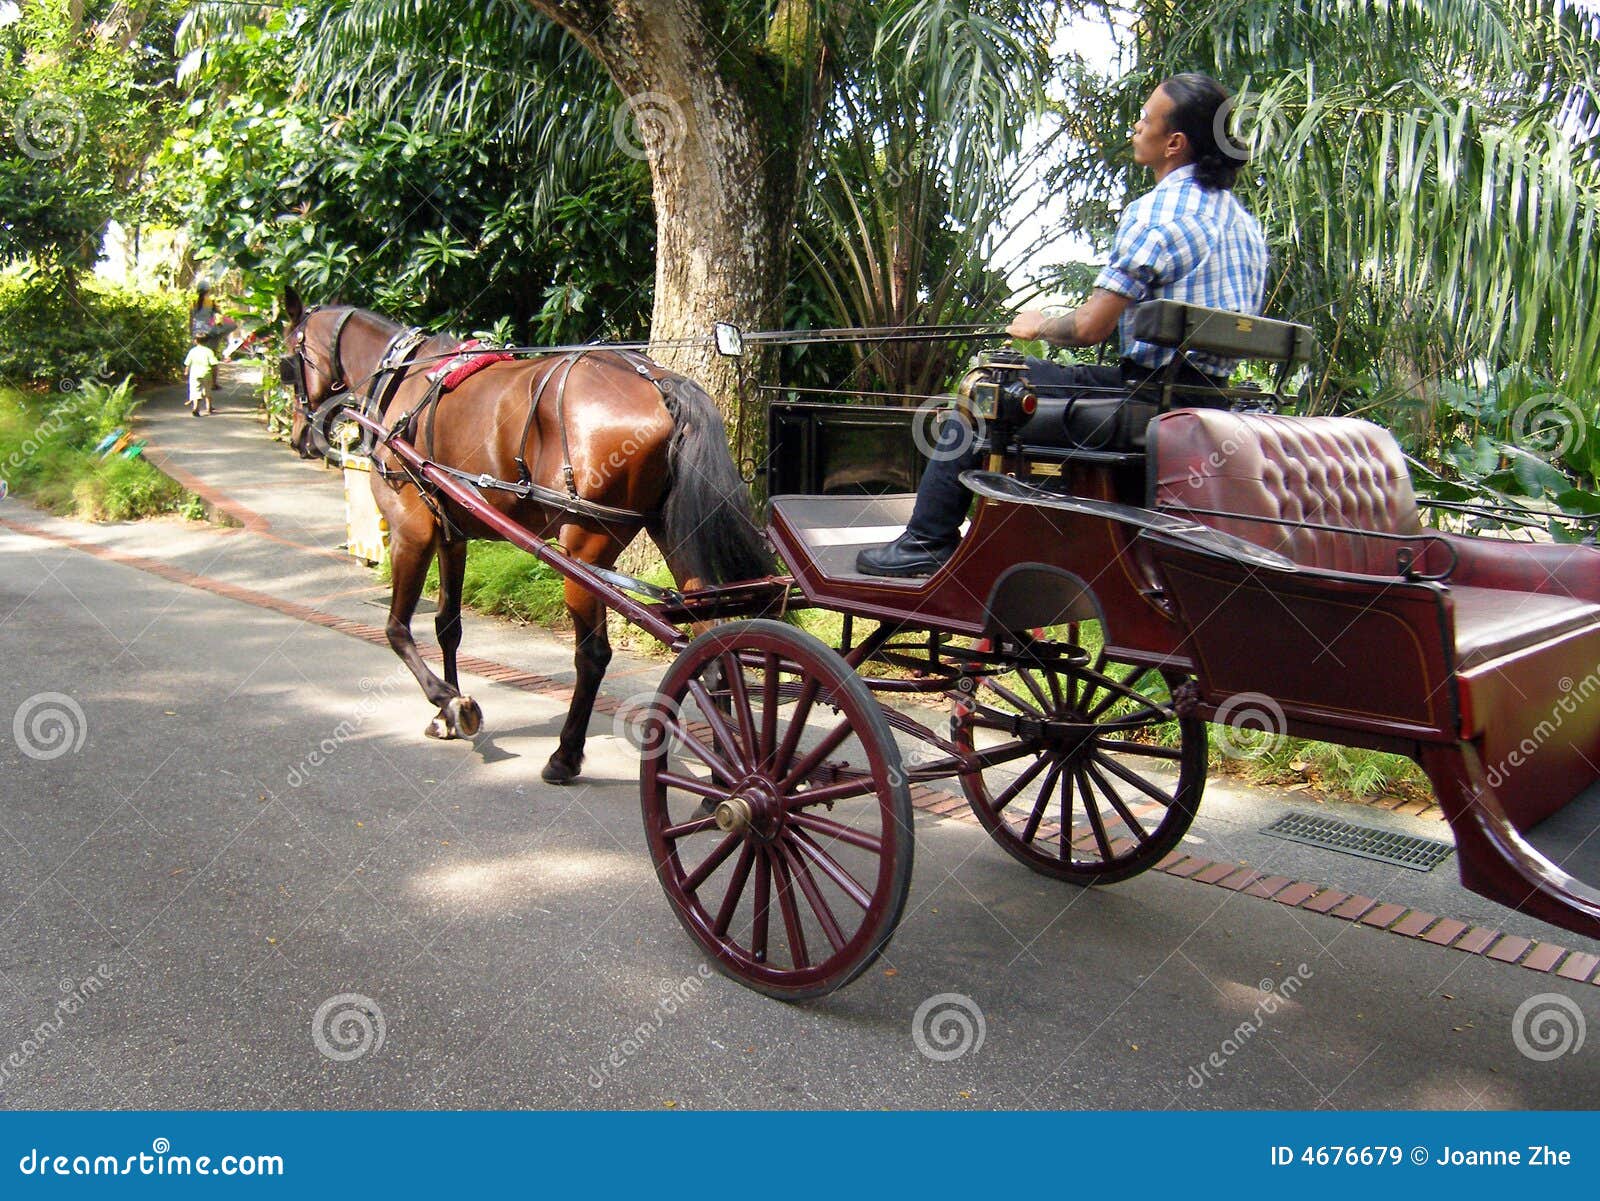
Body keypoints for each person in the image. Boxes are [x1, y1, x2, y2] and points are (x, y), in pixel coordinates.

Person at [856, 72, 1270, 577]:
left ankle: (926, 541)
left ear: (1174, 143)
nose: (1136, 128)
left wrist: (1040, 326)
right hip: (1210, 402)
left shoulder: (1158, 211)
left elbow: (1090, 329)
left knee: (983, 390)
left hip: (1146, 403)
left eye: (1145, 120)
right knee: (1012, 383)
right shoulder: (1245, 226)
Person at [189, 281, 237, 388]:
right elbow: (219, 315)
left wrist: (191, 332)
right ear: (208, 290)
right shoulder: (211, 302)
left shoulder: (193, 303)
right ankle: (213, 383)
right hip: (209, 332)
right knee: (212, 358)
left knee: (197, 357)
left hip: (197, 333)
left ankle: (198, 382)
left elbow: (191, 320)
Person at [184, 333, 219, 417]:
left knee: (195, 391)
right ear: (207, 341)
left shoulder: (192, 351)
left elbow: (187, 364)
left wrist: (186, 372)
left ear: (195, 341)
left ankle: (196, 408)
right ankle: (209, 407)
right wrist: (214, 378)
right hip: (206, 373)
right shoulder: (209, 351)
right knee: (207, 391)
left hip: (195, 374)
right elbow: (214, 364)